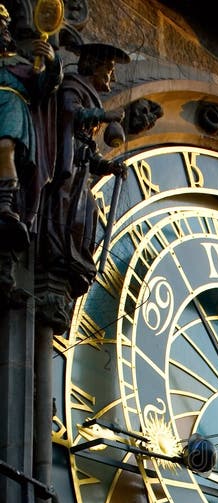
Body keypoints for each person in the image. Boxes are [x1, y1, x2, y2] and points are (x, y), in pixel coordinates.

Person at [38, 42, 129, 300]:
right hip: (64, 165)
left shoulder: (87, 92)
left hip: (80, 166)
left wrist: (107, 166)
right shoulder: (72, 86)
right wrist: (104, 115)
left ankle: (72, 257)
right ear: (93, 66)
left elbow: (88, 149)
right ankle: (56, 251)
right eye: (109, 68)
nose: (112, 75)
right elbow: (71, 114)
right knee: (66, 206)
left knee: (88, 210)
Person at [0, 4, 61, 250]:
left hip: (11, 106)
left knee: (4, 148)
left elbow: (45, 86)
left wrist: (52, 61)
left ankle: (4, 203)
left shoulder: (20, 63)